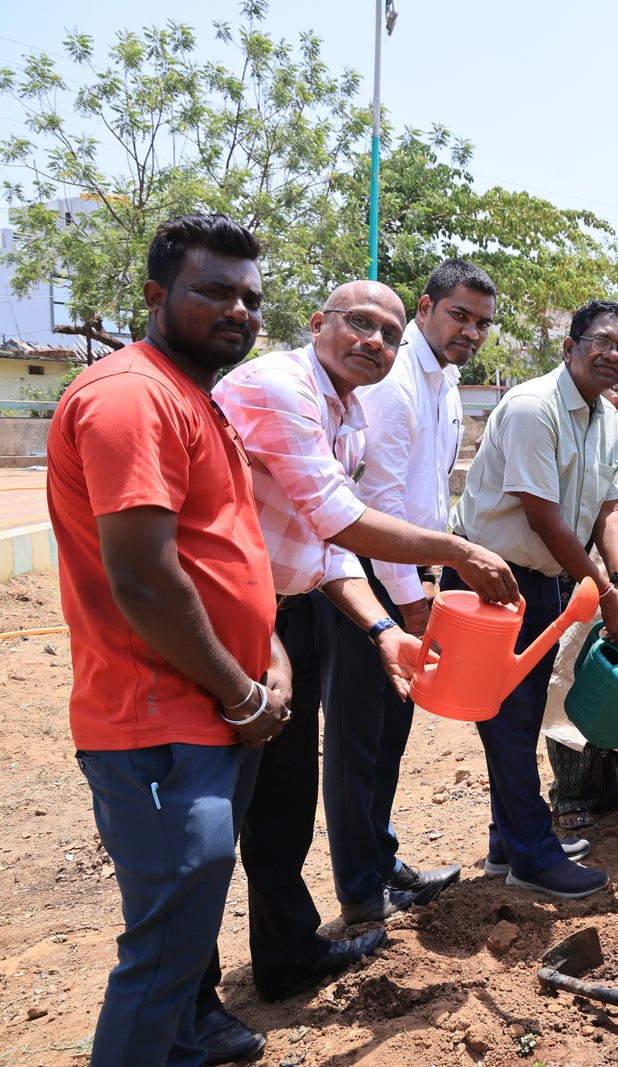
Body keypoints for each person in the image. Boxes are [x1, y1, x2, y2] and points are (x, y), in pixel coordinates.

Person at [213, 280, 517, 1001]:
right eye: (359, 324)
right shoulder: (284, 387)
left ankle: (287, 956)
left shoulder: (347, 409)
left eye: (383, 333)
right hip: (222, 614)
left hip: (291, 604)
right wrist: (450, 560)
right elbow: (341, 514)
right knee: (215, 815)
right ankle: (184, 1006)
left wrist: (383, 625)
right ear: (318, 323)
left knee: (284, 795)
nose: (373, 342)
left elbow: (325, 546)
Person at [47, 213, 286, 1066]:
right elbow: (145, 580)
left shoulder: (195, 396)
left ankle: (187, 1036)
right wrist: (241, 690)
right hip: (157, 718)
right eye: (215, 291)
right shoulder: (131, 397)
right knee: (162, 942)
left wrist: (272, 657)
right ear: (156, 295)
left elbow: (233, 551)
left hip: (213, 707)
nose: (240, 312)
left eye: (252, 298)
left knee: (187, 922)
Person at [323, 258, 498, 928]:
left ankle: (379, 854)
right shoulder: (394, 380)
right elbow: (377, 500)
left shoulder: (445, 382)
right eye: (459, 315)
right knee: (359, 735)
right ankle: (360, 891)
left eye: (481, 322)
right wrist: (412, 598)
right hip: (364, 577)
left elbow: (430, 493)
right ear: (425, 308)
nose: (471, 331)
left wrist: (429, 581)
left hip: (411, 573)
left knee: (392, 727)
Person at [449, 298, 618, 898]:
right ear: (570, 347)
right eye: (601, 343)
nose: (613, 356)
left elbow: (609, 507)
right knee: (507, 720)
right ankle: (532, 851)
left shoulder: (606, 418)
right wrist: (607, 592)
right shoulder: (535, 408)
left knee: (523, 714)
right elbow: (544, 517)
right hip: (491, 578)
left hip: (542, 578)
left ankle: (510, 844)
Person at [546, 364, 618, 835]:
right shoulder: (576, 438)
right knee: (573, 681)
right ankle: (571, 793)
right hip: (580, 582)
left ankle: (609, 786)